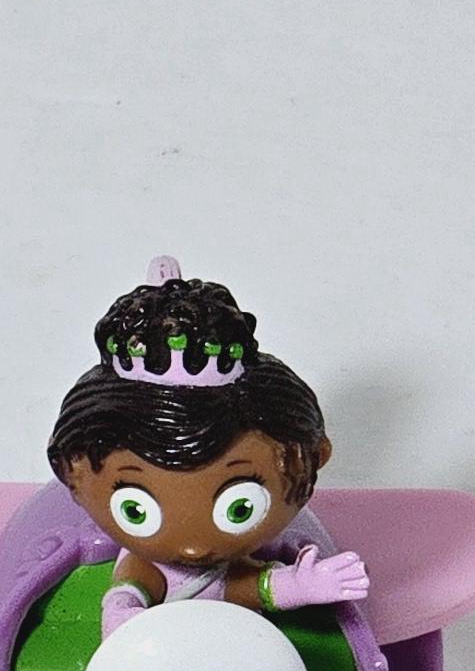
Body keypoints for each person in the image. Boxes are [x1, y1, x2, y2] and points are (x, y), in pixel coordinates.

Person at [46, 261, 369, 635]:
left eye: (240, 508)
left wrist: (302, 585)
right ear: (68, 470)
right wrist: (121, 610)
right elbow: (131, 589)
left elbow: (247, 588)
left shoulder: (227, 569)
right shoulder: (147, 566)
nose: (194, 550)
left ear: (315, 458)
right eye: (135, 510)